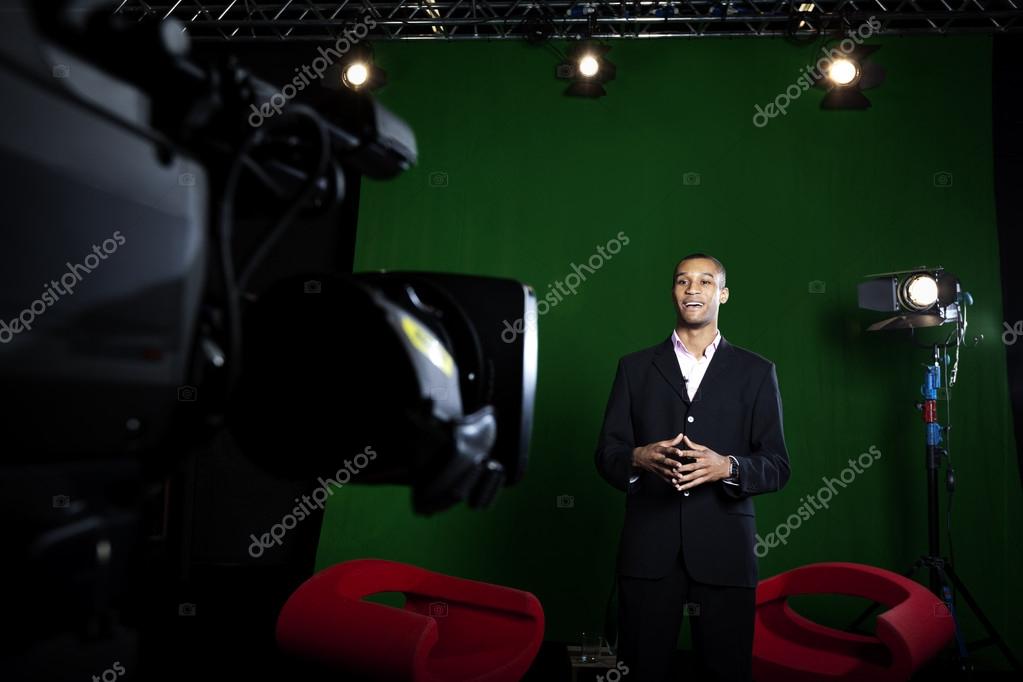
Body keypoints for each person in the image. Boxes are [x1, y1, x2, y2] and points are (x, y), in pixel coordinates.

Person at [595, 253, 791, 682]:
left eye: (704, 281)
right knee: (638, 670)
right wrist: (636, 457)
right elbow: (607, 453)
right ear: (673, 294)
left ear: (722, 294)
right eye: (683, 281)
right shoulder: (634, 369)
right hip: (648, 552)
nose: (692, 289)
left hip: (725, 553)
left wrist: (729, 467)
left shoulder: (757, 372)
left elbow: (777, 466)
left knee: (725, 671)